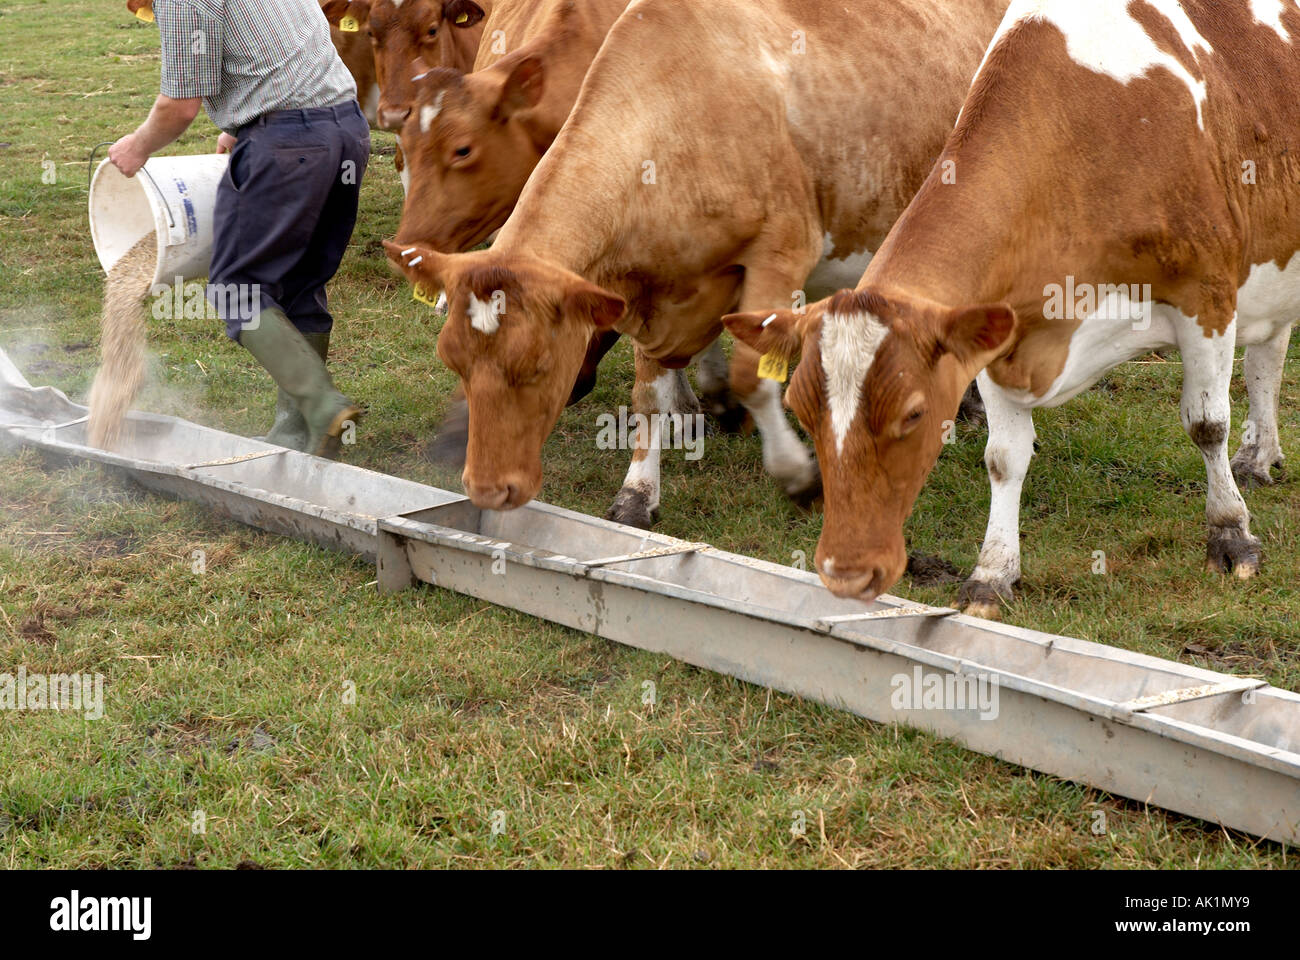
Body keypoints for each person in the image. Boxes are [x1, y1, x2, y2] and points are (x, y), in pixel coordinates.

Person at [110, 0, 369, 457]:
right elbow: (285, 47)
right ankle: (302, 435)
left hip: (290, 146)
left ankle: (322, 404)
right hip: (345, 129)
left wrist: (138, 146)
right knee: (299, 282)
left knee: (236, 286)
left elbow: (179, 107)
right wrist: (240, 121)